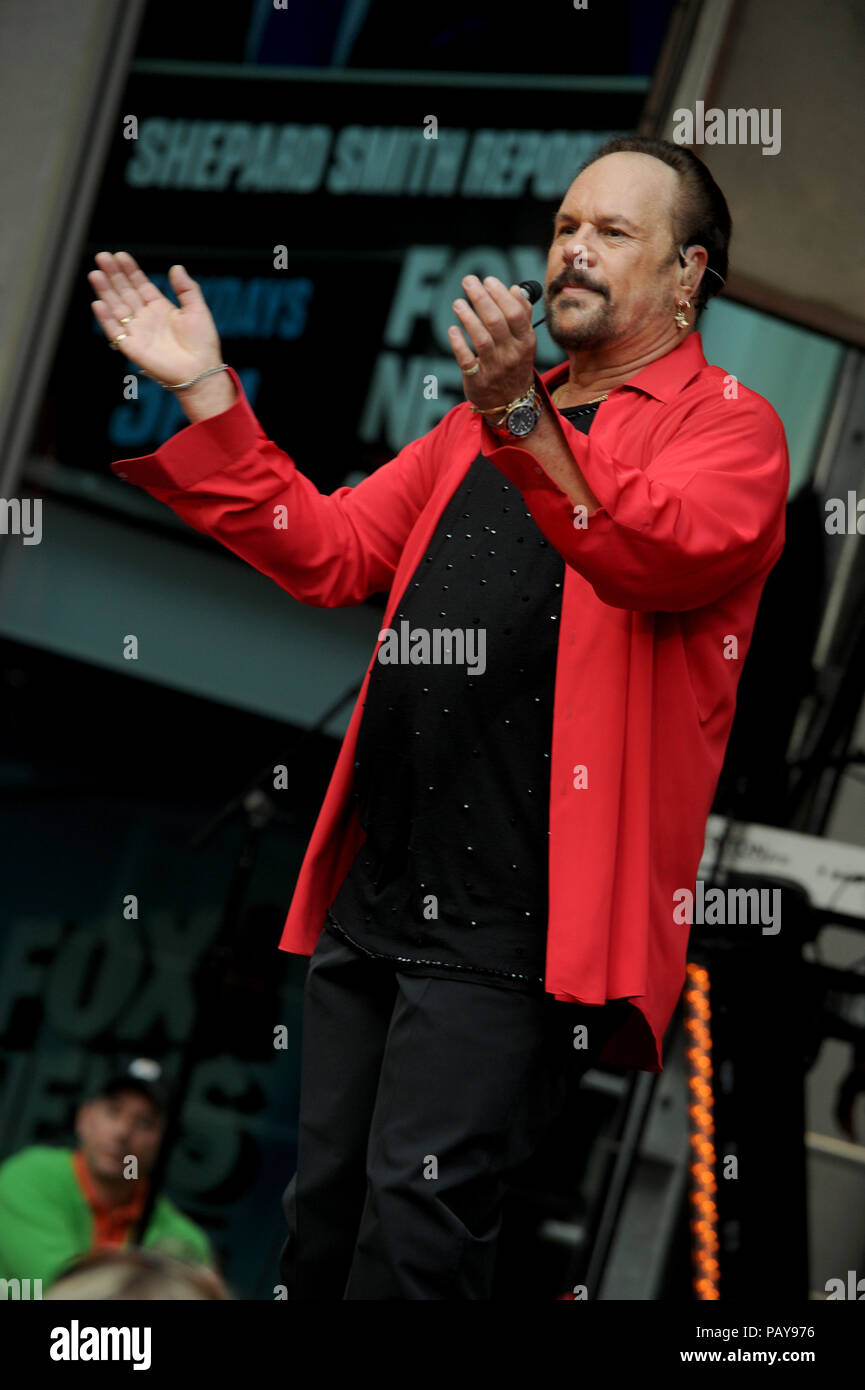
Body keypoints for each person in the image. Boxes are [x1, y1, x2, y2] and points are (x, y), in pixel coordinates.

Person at [88, 136, 789, 1299]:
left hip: (519, 923)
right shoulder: (482, 421)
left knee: (414, 1236)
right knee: (321, 1224)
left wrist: (519, 418)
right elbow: (330, 548)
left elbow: (643, 550)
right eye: (566, 226)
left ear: (688, 275)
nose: (573, 248)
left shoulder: (729, 427)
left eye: (612, 232)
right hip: (383, 887)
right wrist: (208, 391)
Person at [0, 1059, 214, 1292]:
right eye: (113, 1111)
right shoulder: (30, 1176)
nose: (122, 1132)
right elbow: (68, 1292)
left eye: (144, 1123)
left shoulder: (183, 1237)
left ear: (164, 1144)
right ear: (84, 1119)